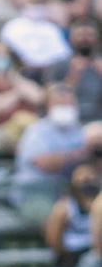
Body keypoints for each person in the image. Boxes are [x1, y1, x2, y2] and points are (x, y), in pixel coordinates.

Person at [15, 82, 90, 218]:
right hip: (37, 193)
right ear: (48, 106)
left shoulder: (79, 130)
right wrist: (79, 155)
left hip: (69, 192)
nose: (66, 108)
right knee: (57, 217)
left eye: (69, 104)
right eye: (60, 104)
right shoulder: (36, 131)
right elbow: (44, 164)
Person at [0, 43, 47, 156]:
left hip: (28, 130)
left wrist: (15, 79)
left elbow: (40, 98)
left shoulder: (21, 81)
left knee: (29, 124)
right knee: (21, 120)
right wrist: (17, 93)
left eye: (5, 55)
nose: (0, 58)